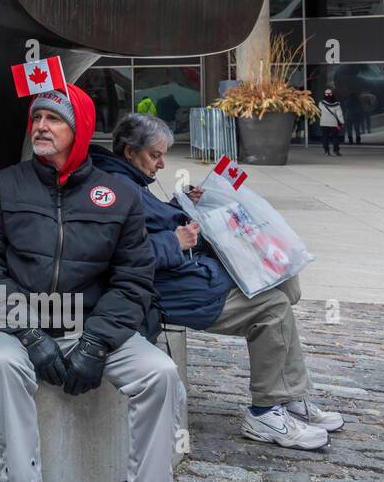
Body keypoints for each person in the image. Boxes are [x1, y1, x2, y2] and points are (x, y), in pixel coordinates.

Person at [0, 83, 185, 482]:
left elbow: (134, 278)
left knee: (161, 374)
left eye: (53, 119)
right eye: (37, 118)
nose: (41, 127)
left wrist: (96, 344)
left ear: (79, 128)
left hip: (90, 323)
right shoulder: (3, 185)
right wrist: (29, 333)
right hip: (15, 325)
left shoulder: (119, 195)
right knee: (3, 367)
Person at [90, 113, 343, 450]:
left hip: (189, 275)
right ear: (128, 151)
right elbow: (112, 252)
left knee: (283, 283)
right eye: (155, 155)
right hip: (169, 290)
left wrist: (180, 205)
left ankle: (287, 394)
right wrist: (174, 241)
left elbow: (147, 222)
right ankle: (265, 412)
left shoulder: (129, 181)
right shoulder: (113, 187)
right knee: (272, 308)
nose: (162, 164)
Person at [318, 88, 344, 156]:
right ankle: (336, 151)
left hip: (323, 123)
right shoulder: (337, 104)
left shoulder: (321, 103)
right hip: (334, 123)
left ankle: (326, 151)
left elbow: (319, 111)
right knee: (335, 138)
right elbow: (340, 115)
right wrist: (341, 122)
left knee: (325, 137)